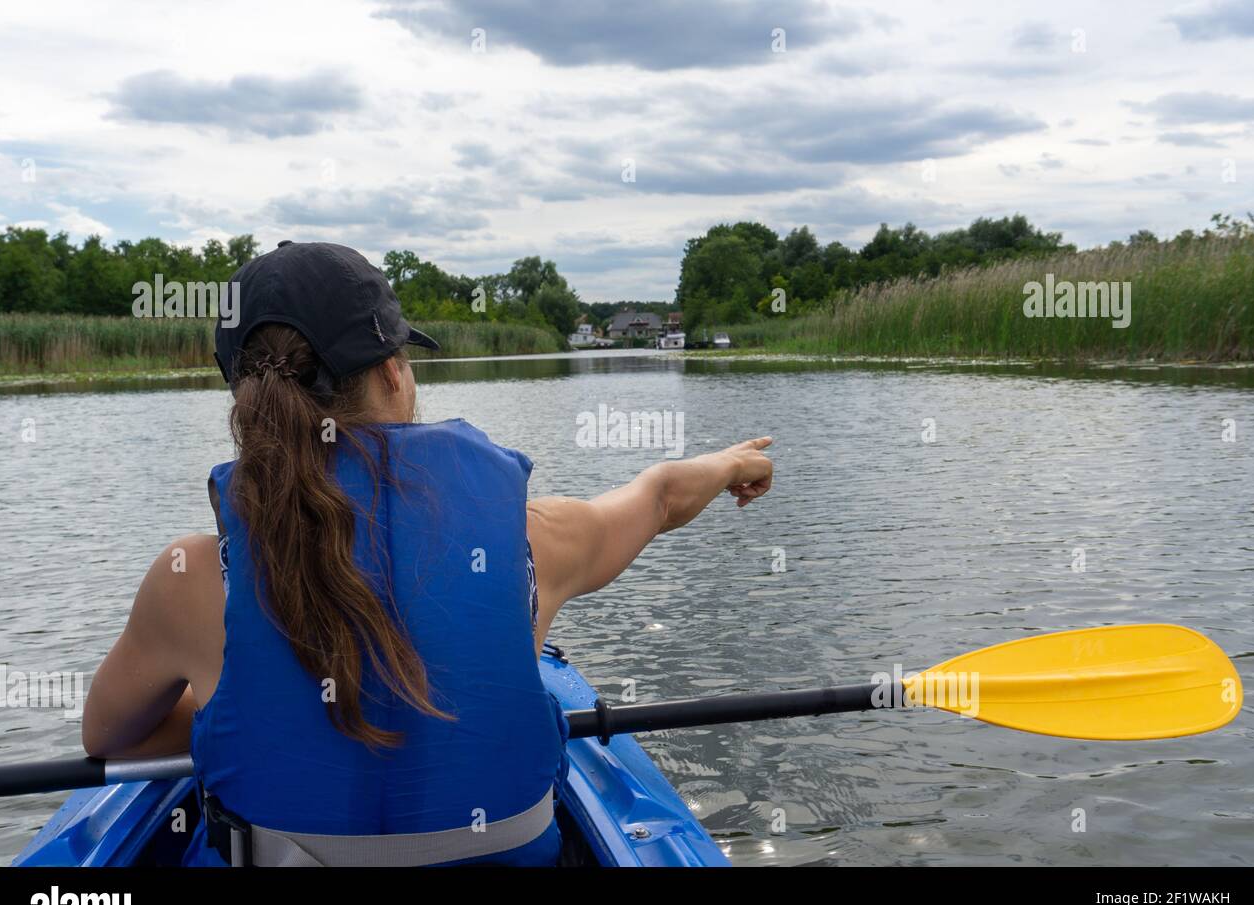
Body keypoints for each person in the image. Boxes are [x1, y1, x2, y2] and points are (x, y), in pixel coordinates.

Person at [81, 240, 774, 866]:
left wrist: (230, 718)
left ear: (245, 397)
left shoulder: (191, 578)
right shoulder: (527, 541)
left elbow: (112, 736)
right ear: (391, 372)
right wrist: (728, 462)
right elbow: (656, 499)